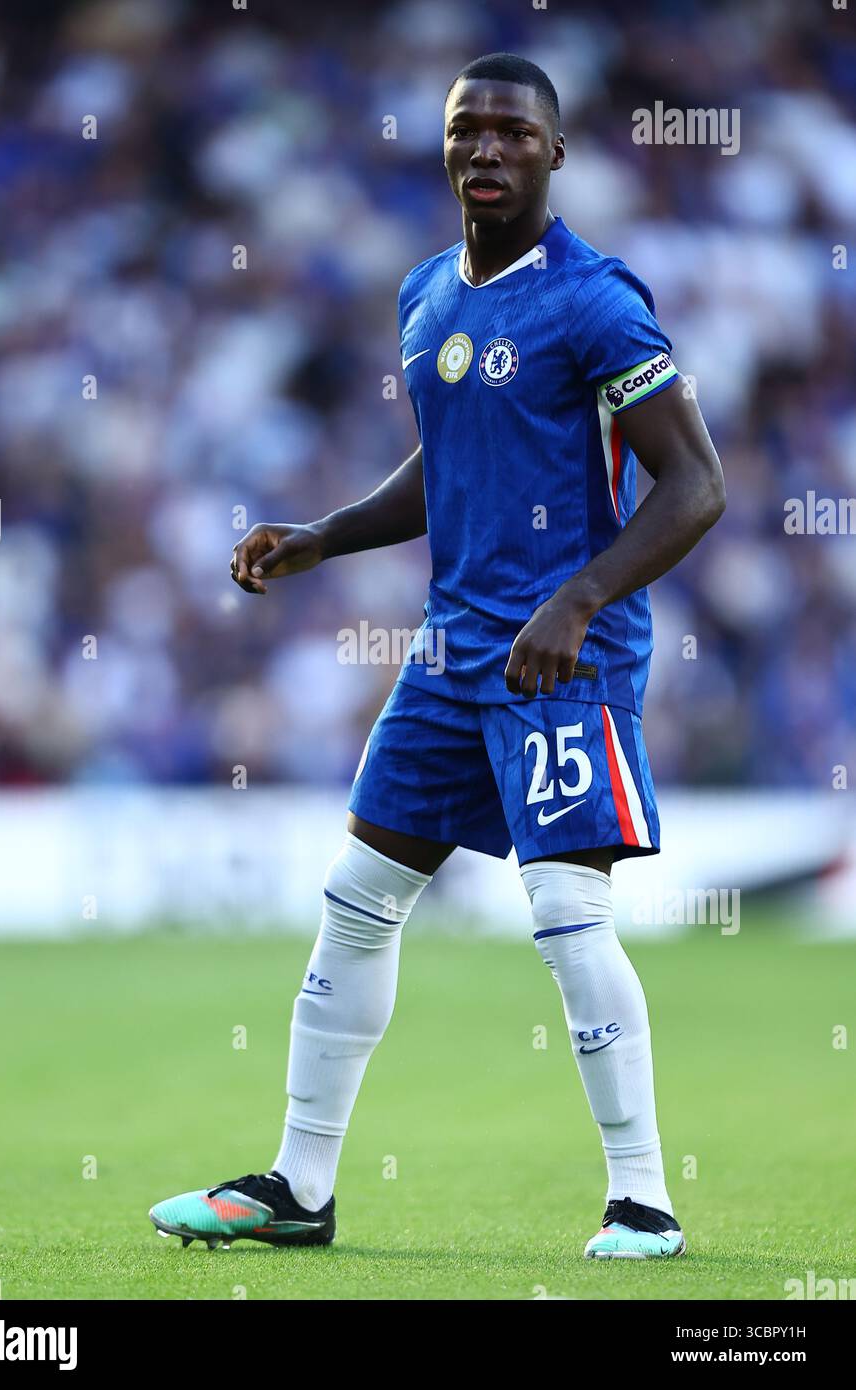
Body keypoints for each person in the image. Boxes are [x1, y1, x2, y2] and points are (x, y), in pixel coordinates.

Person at [149, 52, 725, 1260]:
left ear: (555, 154)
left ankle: (643, 1199)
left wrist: (576, 602)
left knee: (566, 914)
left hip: (564, 659)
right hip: (452, 652)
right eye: (468, 131)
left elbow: (696, 482)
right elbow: (451, 467)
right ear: (444, 146)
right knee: (357, 905)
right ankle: (301, 1186)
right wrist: (325, 534)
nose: (488, 151)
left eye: (515, 133)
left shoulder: (596, 300)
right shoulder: (426, 296)